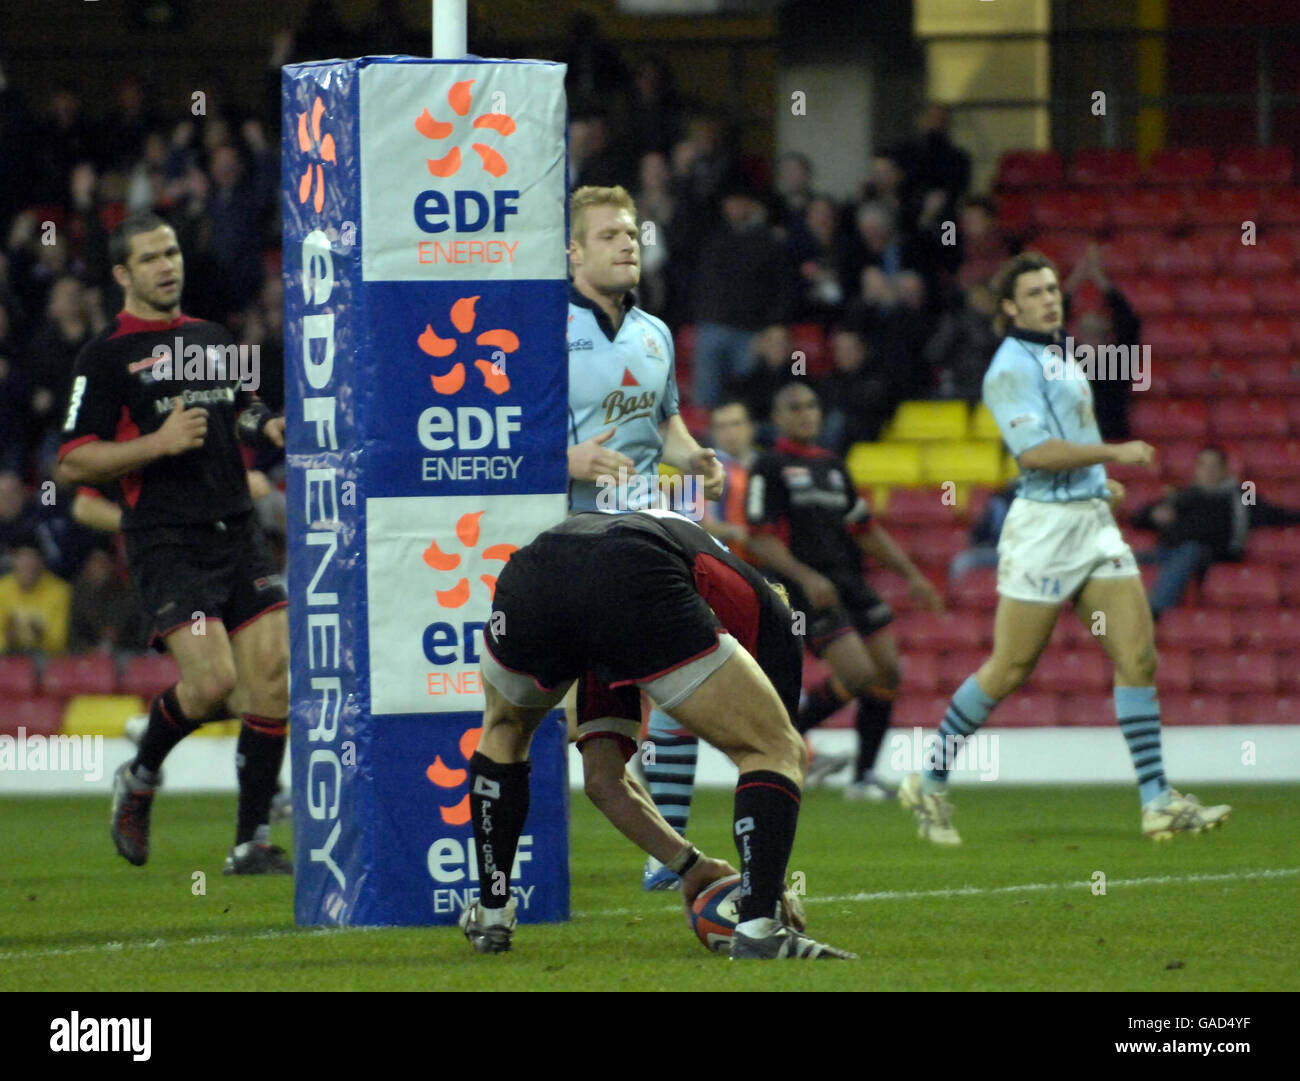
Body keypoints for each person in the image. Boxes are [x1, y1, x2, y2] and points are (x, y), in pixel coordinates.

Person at [899, 252, 1231, 845]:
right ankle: (929, 777)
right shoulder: (1008, 368)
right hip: (1043, 531)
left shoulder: (1059, 353)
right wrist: (1115, 454)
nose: (1050, 298)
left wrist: (1099, 484)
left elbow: (1066, 441)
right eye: (1035, 292)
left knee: (1139, 655)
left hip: (1091, 522)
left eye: (1053, 288)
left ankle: (1156, 800)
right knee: (1010, 669)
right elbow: (1035, 455)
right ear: (1010, 306)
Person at [457, 508, 856, 961]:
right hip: (632, 568)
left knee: (504, 732)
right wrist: (767, 879)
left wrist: (689, 865)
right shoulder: (767, 608)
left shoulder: (620, 596)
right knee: (776, 747)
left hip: (533, 571)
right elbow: (776, 750)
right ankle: (760, 926)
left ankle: (491, 915)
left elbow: (604, 782)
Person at [55, 212, 291, 874]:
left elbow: (238, 403)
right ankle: (141, 773)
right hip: (167, 541)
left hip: (237, 529)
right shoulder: (103, 358)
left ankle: (251, 842)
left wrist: (266, 424)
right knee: (213, 681)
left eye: (173, 252)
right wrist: (156, 444)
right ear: (124, 274)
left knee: (272, 679)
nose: (168, 265)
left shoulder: (212, 336)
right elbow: (73, 462)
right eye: (152, 258)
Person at [747, 382, 944, 799]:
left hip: (846, 580)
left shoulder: (833, 465)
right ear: (778, 418)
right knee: (857, 674)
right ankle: (782, 734)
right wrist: (806, 577)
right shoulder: (770, 466)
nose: (806, 413)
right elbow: (760, 539)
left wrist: (912, 574)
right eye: (795, 407)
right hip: (802, 584)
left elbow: (865, 529)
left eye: (812, 405)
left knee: (889, 671)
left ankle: (863, 777)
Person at [565, 185, 723, 515]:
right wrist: (562, 462)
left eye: (631, 234)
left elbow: (663, 426)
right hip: (571, 529)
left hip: (646, 524)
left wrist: (693, 458)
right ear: (574, 251)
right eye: (608, 236)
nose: (627, 245)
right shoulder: (540, 331)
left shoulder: (656, 332)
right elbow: (498, 446)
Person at [1133, 446, 1300, 619]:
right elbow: (1138, 519)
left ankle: (1153, 612)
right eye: (1203, 465)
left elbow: (1275, 514)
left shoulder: (1241, 497)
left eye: (1214, 466)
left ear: (1225, 470)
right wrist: (1153, 513)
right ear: (1196, 469)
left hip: (1212, 553)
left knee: (1189, 550)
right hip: (1167, 551)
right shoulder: (1183, 494)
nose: (1208, 471)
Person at [0, 534, 70, 654]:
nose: (27, 564)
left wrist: (41, 636)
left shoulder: (60, 591)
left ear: (42, 561)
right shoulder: (2, 589)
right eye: (22, 557)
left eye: (33, 557)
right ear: (13, 560)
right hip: (7, 658)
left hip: (46, 660)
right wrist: (8, 638)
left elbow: (60, 643)